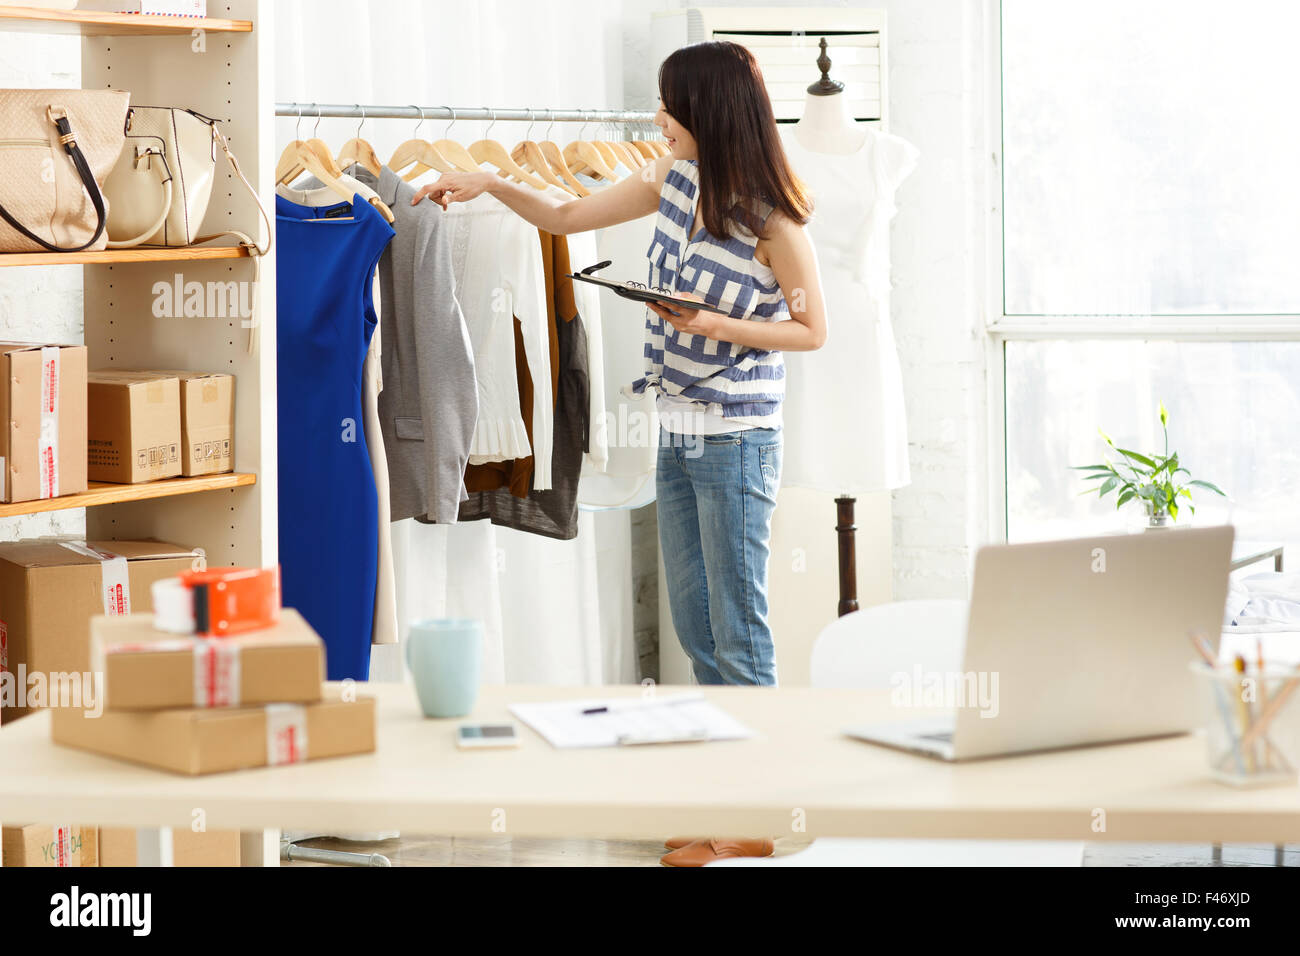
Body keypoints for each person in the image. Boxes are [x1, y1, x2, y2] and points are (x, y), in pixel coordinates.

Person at [413, 40, 828, 866]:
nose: (656, 119)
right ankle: (727, 806)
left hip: (739, 442)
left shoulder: (775, 222)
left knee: (739, 632)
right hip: (677, 433)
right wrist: (492, 180)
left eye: (669, 107)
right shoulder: (671, 181)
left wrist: (711, 325)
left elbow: (810, 329)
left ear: (706, 112)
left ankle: (762, 815)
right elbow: (567, 217)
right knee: (698, 625)